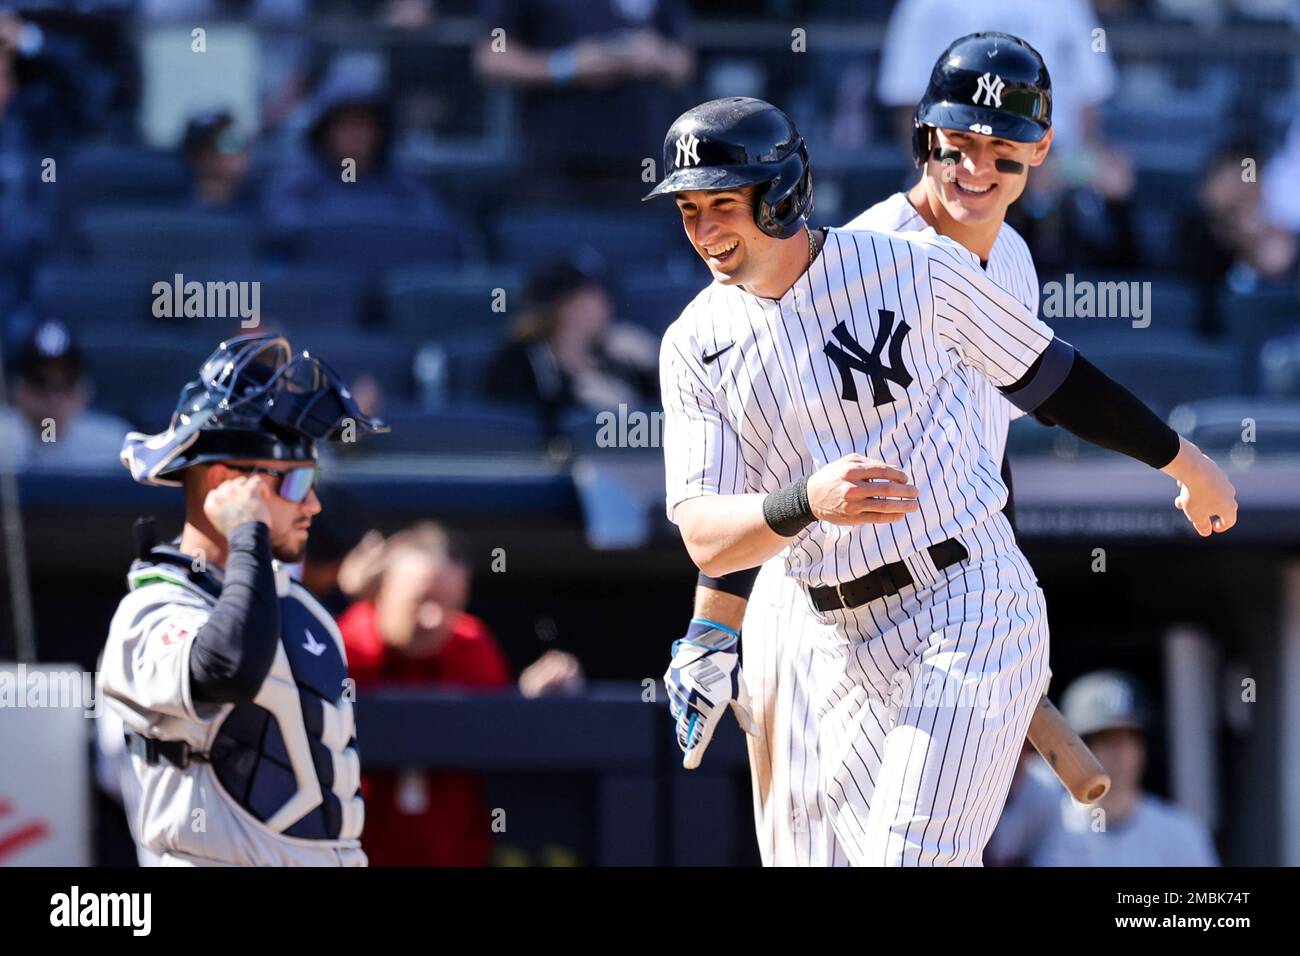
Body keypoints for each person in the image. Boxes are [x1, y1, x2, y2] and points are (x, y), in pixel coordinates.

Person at [649, 96, 1237, 866]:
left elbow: (1059, 384)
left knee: (907, 858)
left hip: (962, 597)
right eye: (689, 209)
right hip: (833, 639)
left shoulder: (911, 267)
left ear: (782, 192)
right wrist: (729, 604)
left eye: (723, 203)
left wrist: (1187, 465)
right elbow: (705, 531)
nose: (703, 230)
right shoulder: (694, 342)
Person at [669, 34, 1056, 867]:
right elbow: (772, 460)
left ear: (1038, 152)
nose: (976, 171)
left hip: (935, 594)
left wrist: (995, 598)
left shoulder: (1011, 260)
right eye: (957, 148)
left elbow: (989, 452)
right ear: (923, 137)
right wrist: (712, 626)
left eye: (1003, 152)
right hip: (804, 603)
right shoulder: (878, 258)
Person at [100, 333, 387, 866]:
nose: (315, 505)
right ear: (223, 480)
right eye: (297, 486)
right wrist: (248, 531)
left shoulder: (300, 607)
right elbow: (227, 667)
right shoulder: (151, 609)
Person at [336, 523, 583, 866]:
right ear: (382, 592)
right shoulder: (341, 649)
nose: (433, 618)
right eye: (419, 601)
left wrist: (528, 698)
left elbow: (502, 729)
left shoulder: (471, 647)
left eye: (448, 605)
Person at [474, 0, 693, 204]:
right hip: (557, 164)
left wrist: (656, 55)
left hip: (642, 165)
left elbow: (683, 64)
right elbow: (492, 57)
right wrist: (567, 66)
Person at [1031, 670, 1219, 866]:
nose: (1119, 753)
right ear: (1077, 748)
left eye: (1128, 739)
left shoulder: (1181, 834)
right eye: (1106, 740)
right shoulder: (1047, 829)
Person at [483, 254, 659, 436]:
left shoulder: (620, 356)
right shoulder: (517, 361)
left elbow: (659, 417)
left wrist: (655, 364)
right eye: (591, 297)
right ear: (563, 306)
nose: (605, 305)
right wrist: (579, 398)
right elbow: (511, 425)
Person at [0, 320, 131, 470]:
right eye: (39, 383)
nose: (53, 398)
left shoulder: (112, 445)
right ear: (15, 388)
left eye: (67, 384)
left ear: (85, 390)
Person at [181, 110, 256, 212]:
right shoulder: (181, 218)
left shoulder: (262, 211)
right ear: (199, 157)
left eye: (240, 140)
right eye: (228, 142)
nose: (240, 151)